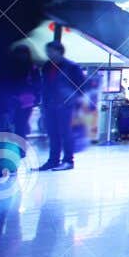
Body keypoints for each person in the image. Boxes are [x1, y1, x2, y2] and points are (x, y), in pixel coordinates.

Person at [37, 40, 85, 171]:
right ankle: (53, 160)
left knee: (66, 133)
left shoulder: (71, 67)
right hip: (49, 105)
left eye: (51, 51)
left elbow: (82, 86)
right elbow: (45, 85)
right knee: (53, 133)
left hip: (66, 105)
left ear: (59, 51)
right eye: (47, 51)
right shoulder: (47, 66)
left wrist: (73, 102)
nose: (48, 54)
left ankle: (68, 161)